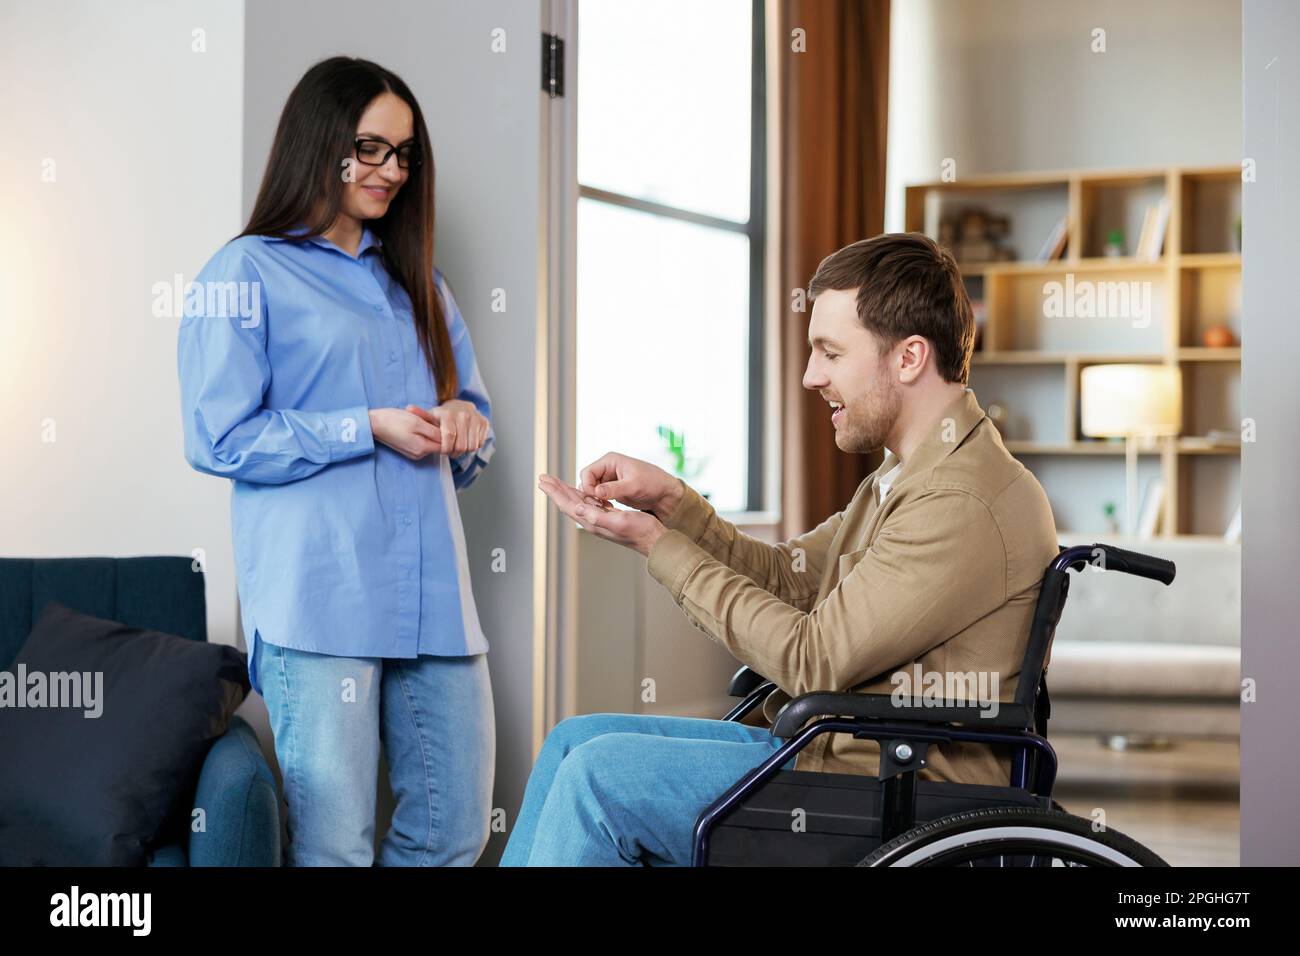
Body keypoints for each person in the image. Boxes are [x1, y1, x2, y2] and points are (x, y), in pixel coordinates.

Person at [511, 231, 1059, 866]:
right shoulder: (908, 475)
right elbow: (788, 577)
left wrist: (659, 547)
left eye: (830, 352)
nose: (810, 376)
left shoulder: (962, 500)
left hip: (893, 789)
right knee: (572, 743)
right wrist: (673, 506)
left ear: (908, 357)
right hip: (840, 759)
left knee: (598, 779)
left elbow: (813, 659)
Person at [177, 56, 496, 866]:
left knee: (453, 833)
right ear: (320, 145)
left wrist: (465, 423)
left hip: (434, 602)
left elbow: (477, 424)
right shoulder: (242, 273)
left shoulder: (419, 282)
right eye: (371, 148)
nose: (392, 171)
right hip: (318, 606)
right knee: (334, 850)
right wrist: (365, 428)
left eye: (404, 153)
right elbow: (218, 437)